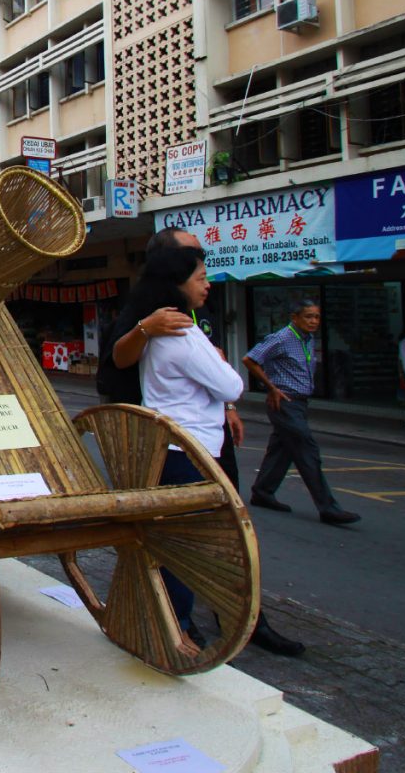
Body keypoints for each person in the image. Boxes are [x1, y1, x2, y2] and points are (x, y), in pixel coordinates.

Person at [99, 227, 304, 656]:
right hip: (170, 441)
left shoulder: (193, 312)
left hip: (208, 437)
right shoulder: (150, 311)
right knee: (181, 535)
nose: (205, 272)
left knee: (223, 528)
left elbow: (213, 374)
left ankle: (241, 615)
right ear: (170, 267)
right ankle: (179, 621)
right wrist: (145, 329)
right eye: (194, 259)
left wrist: (224, 404)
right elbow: (115, 367)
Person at [243, 299, 361, 525]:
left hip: (300, 403)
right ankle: (328, 508)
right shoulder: (281, 338)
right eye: (308, 316)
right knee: (308, 452)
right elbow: (249, 359)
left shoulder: (307, 339)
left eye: (316, 317)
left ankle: (262, 492)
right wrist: (271, 387)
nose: (314, 321)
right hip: (285, 403)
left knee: (281, 450)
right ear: (294, 318)